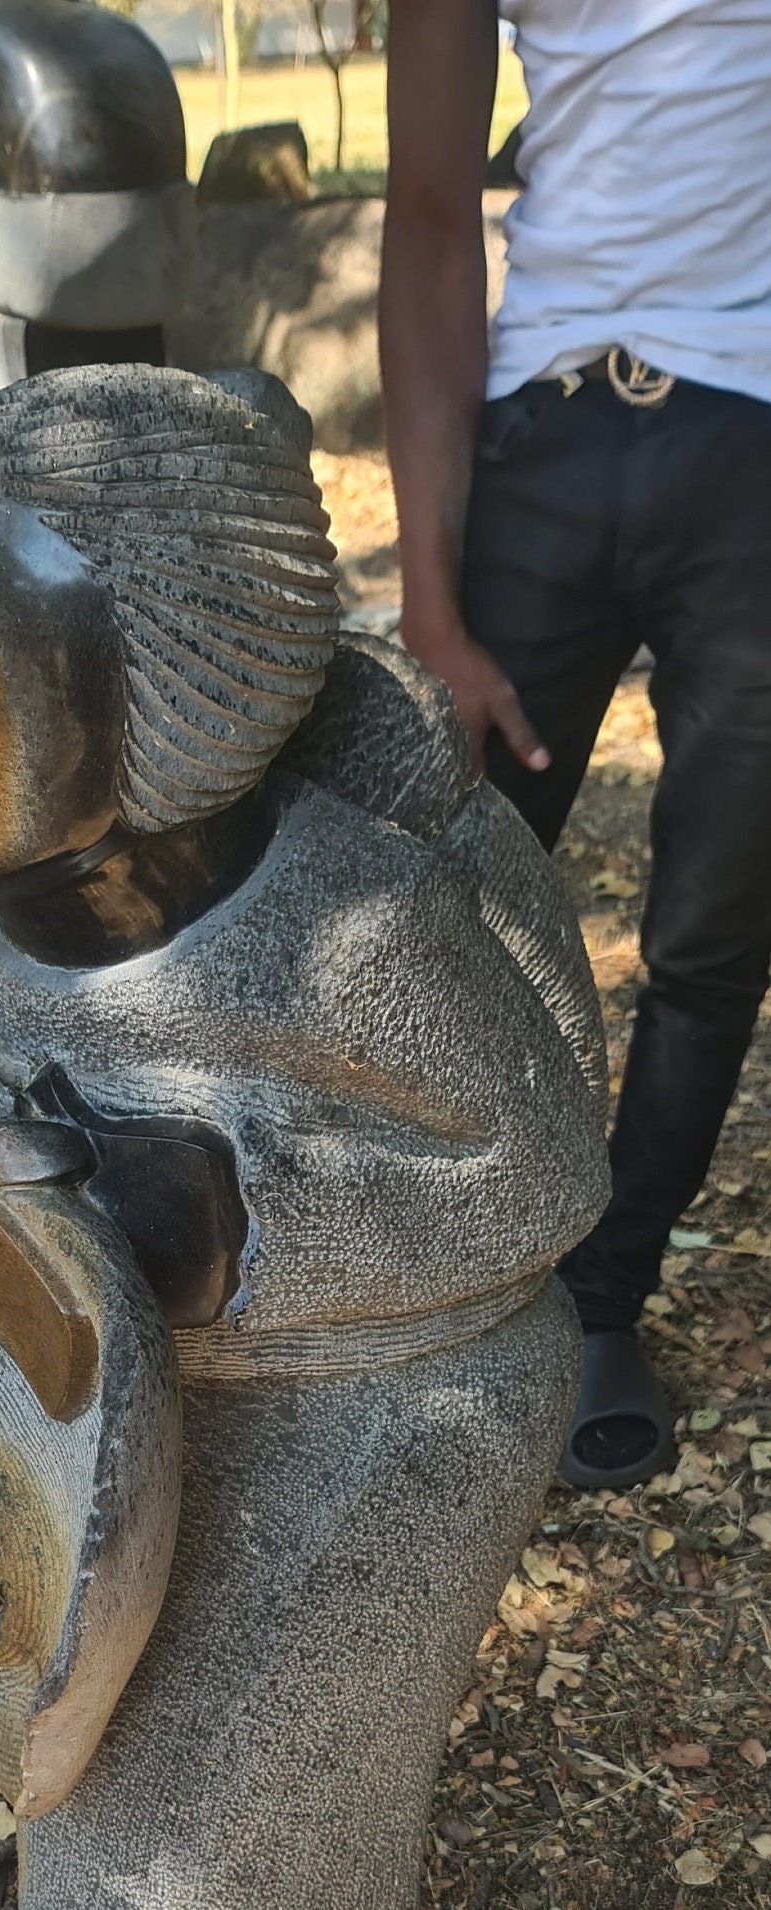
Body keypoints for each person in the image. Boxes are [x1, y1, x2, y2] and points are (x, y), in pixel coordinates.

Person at [379, 0, 771, 1488]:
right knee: (440, 895)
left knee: (717, 924)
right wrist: (428, 590)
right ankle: (430, 1280)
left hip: (752, 452)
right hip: (543, 429)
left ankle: (601, 1303)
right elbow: (426, 215)